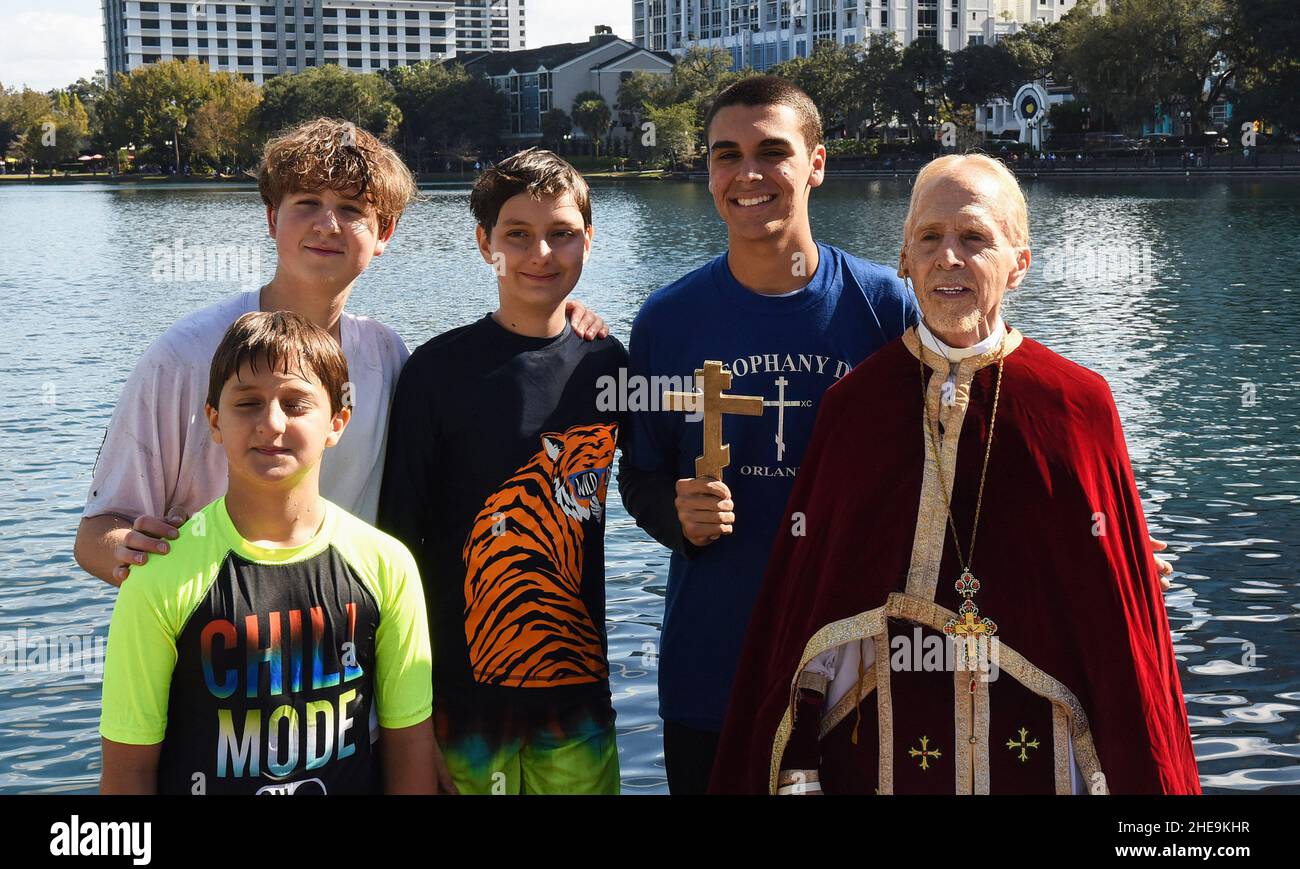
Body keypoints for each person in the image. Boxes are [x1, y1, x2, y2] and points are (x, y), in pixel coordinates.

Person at [710, 154, 1200, 795]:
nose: (949, 258)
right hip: (881, 726)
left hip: (1039, 734)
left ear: (1019, 263)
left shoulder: (1077, 404)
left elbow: (1108, 603)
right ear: (905, 261)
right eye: (930, 239)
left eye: (975, 239)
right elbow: (810, 597)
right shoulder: (855, 406)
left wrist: (1114, 565)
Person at [74, 117, 606, 588]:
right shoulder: (187, 355)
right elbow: (99, 529)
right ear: (270, 219)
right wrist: (129, 552)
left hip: (345, 672)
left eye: (351, 210)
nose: (327, 225)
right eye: (306, 203)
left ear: (384, 234)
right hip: (219, 667)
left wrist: (562, 316)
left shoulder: (387, 355)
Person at [616, 76, 919, 794]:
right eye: (727, 154)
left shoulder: (885, 308)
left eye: (771, 152)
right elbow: (640, 475)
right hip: (712, 667)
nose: (747, 175)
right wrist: (677, 518)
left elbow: (952, 463)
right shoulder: (668, 320)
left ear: (816, 163)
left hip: (857, 667)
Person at [100, 311, 438, 794]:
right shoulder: (161, 575)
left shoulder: (388, 566)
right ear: (214, 421)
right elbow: (128, 771)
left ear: (337, 422)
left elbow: (409, 752)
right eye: (248, 404)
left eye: (297, 404)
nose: (271, 423)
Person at [377, 149, 627, 795]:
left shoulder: (609, 367)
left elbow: (654, 476)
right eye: (517, 234)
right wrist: (411, 715)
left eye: (562, 233)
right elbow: (397, 545)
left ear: (589, 241)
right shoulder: (435, 373)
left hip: (577, 701)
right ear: (485, 243)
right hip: (460, 705)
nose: (541, 252)